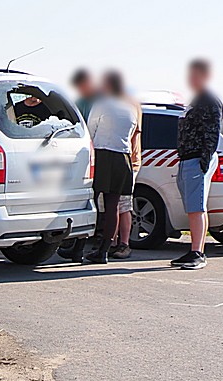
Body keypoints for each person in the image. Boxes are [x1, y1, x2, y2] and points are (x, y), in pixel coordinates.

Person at [171, 58, 223, 270]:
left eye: (195, 75)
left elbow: (212, 133)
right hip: (187, 158)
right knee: (193, 208)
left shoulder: (209, 100)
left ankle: (198, 253)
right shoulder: (196, 100)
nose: (191, 79)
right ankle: (194, 249)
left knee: (197, 208)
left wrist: (203, 160)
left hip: (197, 159)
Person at [82, 71, 138, 265]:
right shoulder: (130, 109)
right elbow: (131, 134)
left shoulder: (101, 104)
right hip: (123, 157)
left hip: (102, 154)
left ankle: (80, 246)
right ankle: (104, 249)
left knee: (90, 200)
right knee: (113, 204)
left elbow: (90, 132)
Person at [59, 68, 103, 261]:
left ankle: (78, 248)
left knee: (87, 200)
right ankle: (77, 247)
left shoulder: (95, 102)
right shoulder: (84, 101)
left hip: (91, 155)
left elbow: (82, 128)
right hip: (88, 154)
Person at [112, 94, 144, 259]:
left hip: (128, 161)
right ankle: (112, 241)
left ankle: (124, 243)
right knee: (111, 203)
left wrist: (127, 161)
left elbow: (133, 134)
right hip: (113, 159)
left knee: (123, 204)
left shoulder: (130, 102)